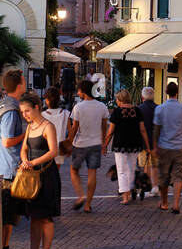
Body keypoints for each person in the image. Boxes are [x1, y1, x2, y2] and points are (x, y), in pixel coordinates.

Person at [16, 94, 60, 249]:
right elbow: (24, 149)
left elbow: (53, 151)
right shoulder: (30, 127)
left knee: (45, 218)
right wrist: (25, 160)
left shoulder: (48, 126)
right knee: (34, 217)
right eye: (22, 112)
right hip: (31, 176)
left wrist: (33, 162)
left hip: (46, 175)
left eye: (27, 111)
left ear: (36, 107)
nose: (25, 114)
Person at [0, 68, 28, 249]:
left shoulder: (1, 104)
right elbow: (7, 141)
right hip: (10, 168)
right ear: (19, 85)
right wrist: (26, 135)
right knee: (8, 215)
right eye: (23, 81)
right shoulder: (11, 109)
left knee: (7, 213)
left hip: (2, 165)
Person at [67, 79, 109, 212]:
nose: (78, 93)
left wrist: (69, 142)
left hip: (80, 144)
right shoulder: (102, 107)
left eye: (78, 90)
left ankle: (81, 195)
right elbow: (104, 127)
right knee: (92, 172)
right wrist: (104, 143)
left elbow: (74, 127)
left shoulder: (78, 107)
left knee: (74, 170)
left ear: (83, 91)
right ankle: (88, 204)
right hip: (95, 143)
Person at [151, 81, 182, 213]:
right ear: (178, 92)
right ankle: (176, 204)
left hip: (164, 146)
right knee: (178, 176)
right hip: (179, 146)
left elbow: (156, 129)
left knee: (164, 176)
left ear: (166, 92)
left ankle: (164, 203)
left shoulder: (160, 109)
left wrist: (154, 146)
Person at [105, 90, 149, 205]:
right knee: (131, 168)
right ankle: (129, 192)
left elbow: (110, 131)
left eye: (117, 100)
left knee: (121, 170)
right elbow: (143, 129)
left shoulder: (117, 112)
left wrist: (104, 145)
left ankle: (125, 196)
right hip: (134, 144)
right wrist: (148, 145)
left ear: (120, 100)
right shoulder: (137, 110)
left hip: (120, 144)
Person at [42, 86, 72, 175]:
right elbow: (71, 131)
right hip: (60, 147)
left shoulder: (42, 115)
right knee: (56, 172)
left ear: (47, 100)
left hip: (46, 147)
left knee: (46, 173)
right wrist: (69, 147)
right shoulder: (65, 113)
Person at [138, 86, 158, 197]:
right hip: (157, 142)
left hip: (143, 142)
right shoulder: (158, 108)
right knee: (155, 165)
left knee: (145, 165)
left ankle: (147, 187)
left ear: (142, 97)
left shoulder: (139, 109)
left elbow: (138, 128)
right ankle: (155, 186)